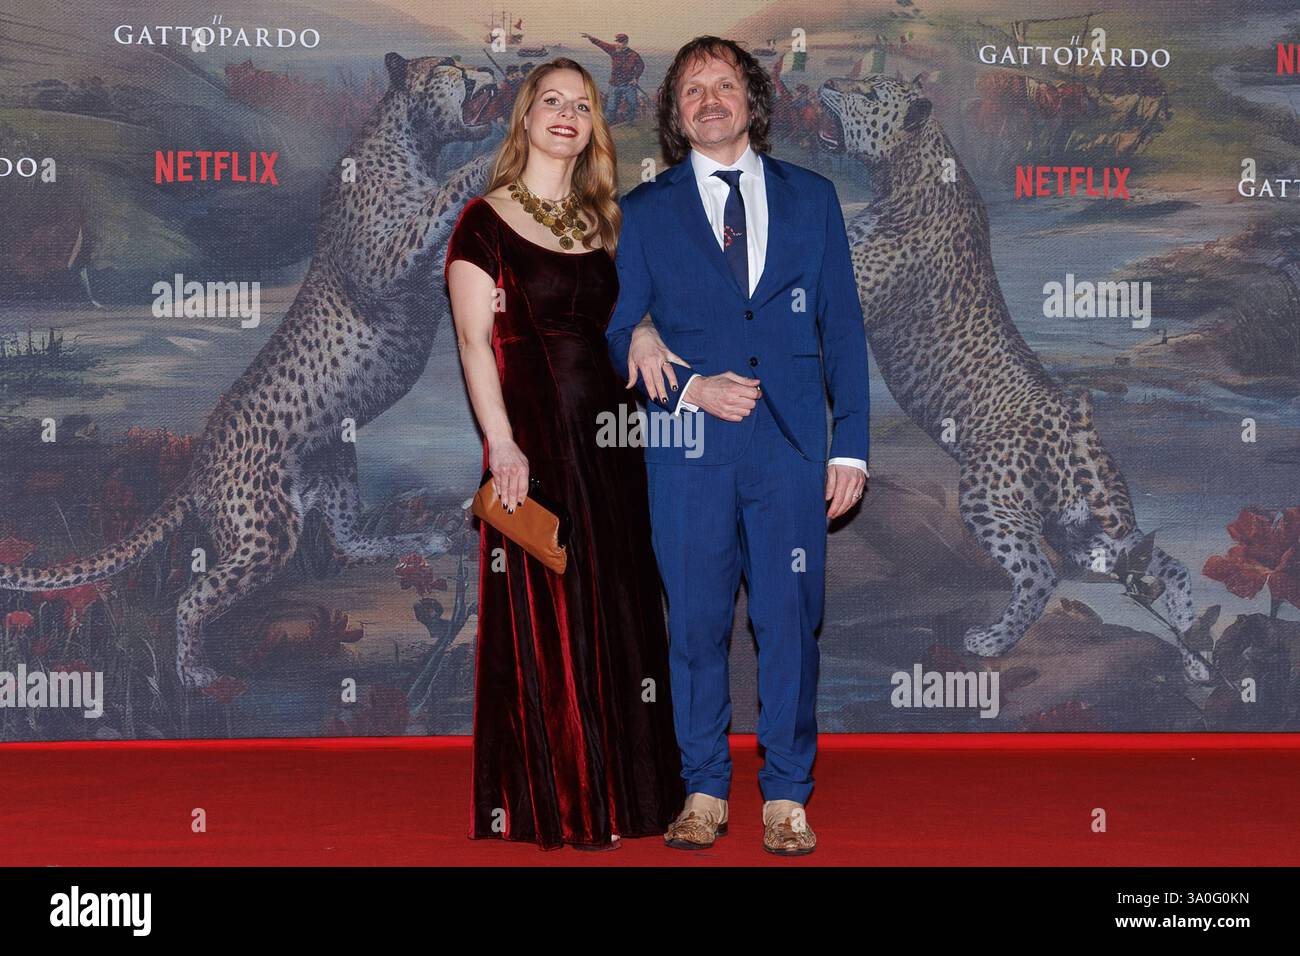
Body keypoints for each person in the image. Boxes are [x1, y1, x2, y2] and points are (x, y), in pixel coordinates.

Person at [605, 36, 871, 856]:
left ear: (752, 102)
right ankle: (704, 788)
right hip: (688, 452)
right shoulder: (643, 212)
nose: (709, 99)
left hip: (791, 451)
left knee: (790, 620)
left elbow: (843, 330)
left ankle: (788, 794)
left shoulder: (813, 199)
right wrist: (687, 387)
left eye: (724, 85)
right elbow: (618, 331)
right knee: (694, 623)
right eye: (692, 90)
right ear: (676, 115)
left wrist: (851, 448)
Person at [444, 57, 684, 851]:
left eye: (581, 105)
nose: (566, 114)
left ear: (592, 128)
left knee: (619, 606)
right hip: (537, 442)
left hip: (615, 443)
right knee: (553, 614)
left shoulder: (606, 221)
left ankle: (633, 797)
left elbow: (633, 319)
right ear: (525, 117)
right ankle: (569, 801)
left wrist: (644, 328)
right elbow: (476, 342)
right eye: (551, 100)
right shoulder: (483, 220)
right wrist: (501, 441)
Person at [580, 32, 644, 124]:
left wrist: (635, 78)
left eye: (620, 42)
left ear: (626, 42)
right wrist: (590, 38)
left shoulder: (634, 55)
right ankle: (608, 125)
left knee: (633, 104)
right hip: (614, 84)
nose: (618, 44)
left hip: (628, 85)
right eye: (617, 42)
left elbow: (641, 66)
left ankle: (630, 123)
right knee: (611, 106)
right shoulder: (614, 50)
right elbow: (601, 44)